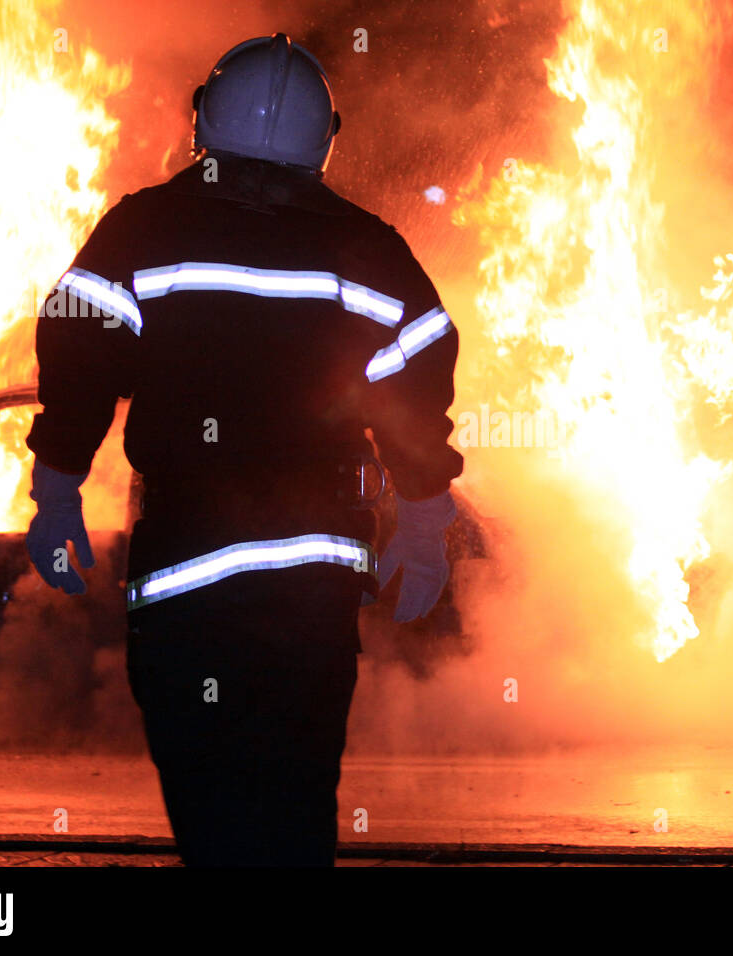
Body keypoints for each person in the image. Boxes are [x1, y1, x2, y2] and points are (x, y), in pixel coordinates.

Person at [23, 33, 464, 866]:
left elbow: (77, 358)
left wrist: (56, 490)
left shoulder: (141, 232)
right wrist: (423, 521)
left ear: (203, 120)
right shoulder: (371, 251)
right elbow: (416, 396)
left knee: (213, 816)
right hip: (314, 590)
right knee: (296, 810)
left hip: (189, 582)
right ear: (324, 136)